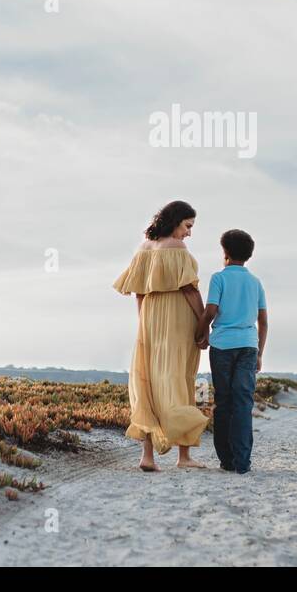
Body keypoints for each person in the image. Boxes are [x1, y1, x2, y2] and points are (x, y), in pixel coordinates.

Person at [112, 200, 209, 471]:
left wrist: (143, 321)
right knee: (179, 379)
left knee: (149, 382)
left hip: (149, 320)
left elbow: (139, 292)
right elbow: (190, 290)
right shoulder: (176, 248)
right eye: (187, 226)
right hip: (177, 320)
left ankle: (147, 457)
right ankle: (184, 457)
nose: (189, 233)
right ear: (176, 221)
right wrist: (203, 323)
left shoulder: (143, 249)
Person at [195, 229, 267, 474]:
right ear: (248, 255)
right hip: (248, 345)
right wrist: (259, 353)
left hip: (222, 346)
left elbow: (210, 311)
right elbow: (263, 321)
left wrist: (202, 332)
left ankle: (226, 460)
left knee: (224, 402)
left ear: (224, 252)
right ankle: (242, 462)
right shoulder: (255, 282)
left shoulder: (219, 278)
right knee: (243, 403)